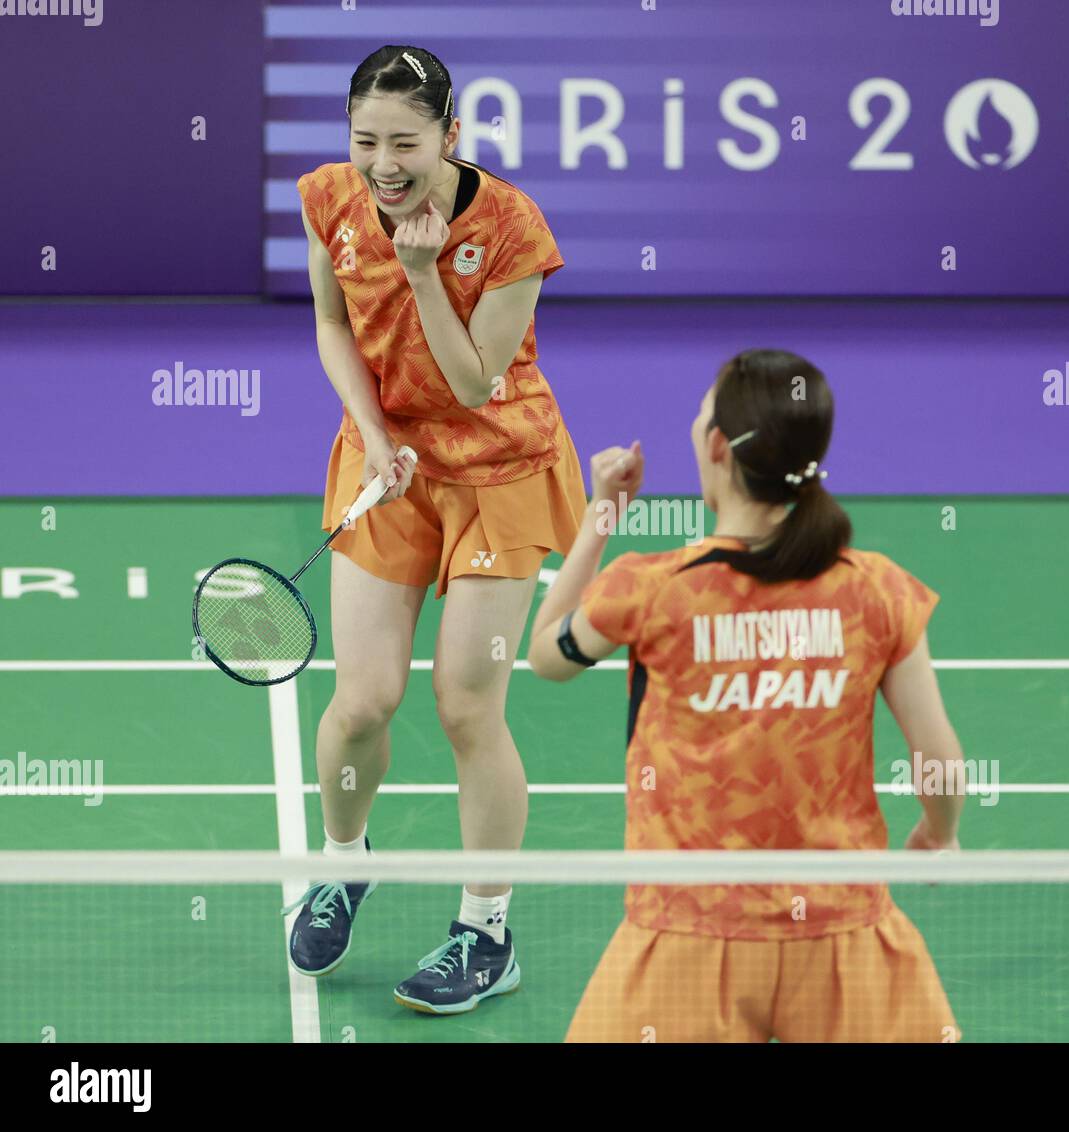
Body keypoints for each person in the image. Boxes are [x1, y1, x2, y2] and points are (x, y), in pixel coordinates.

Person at [528, 348, 965, 1042]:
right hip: (840, 938)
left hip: (685, 938)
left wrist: (603, 513)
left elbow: (545, 654)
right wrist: (938, 835)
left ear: (716, 447)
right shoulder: (877, 589)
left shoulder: (652, 586)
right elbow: (939, 760)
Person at [283, 45, 587, 1015]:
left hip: (497, 469)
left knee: (466, 707)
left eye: (405, 143)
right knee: (359, 702)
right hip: (387, 467)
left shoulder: (510, 228)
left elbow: (469, 383)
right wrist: (371, 436)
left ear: (451, 137)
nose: (382, 162)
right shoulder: (327, 198)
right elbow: (332, 325)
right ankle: (340, 862)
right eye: (365, 139)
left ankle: (485, 931)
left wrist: (419, 273)